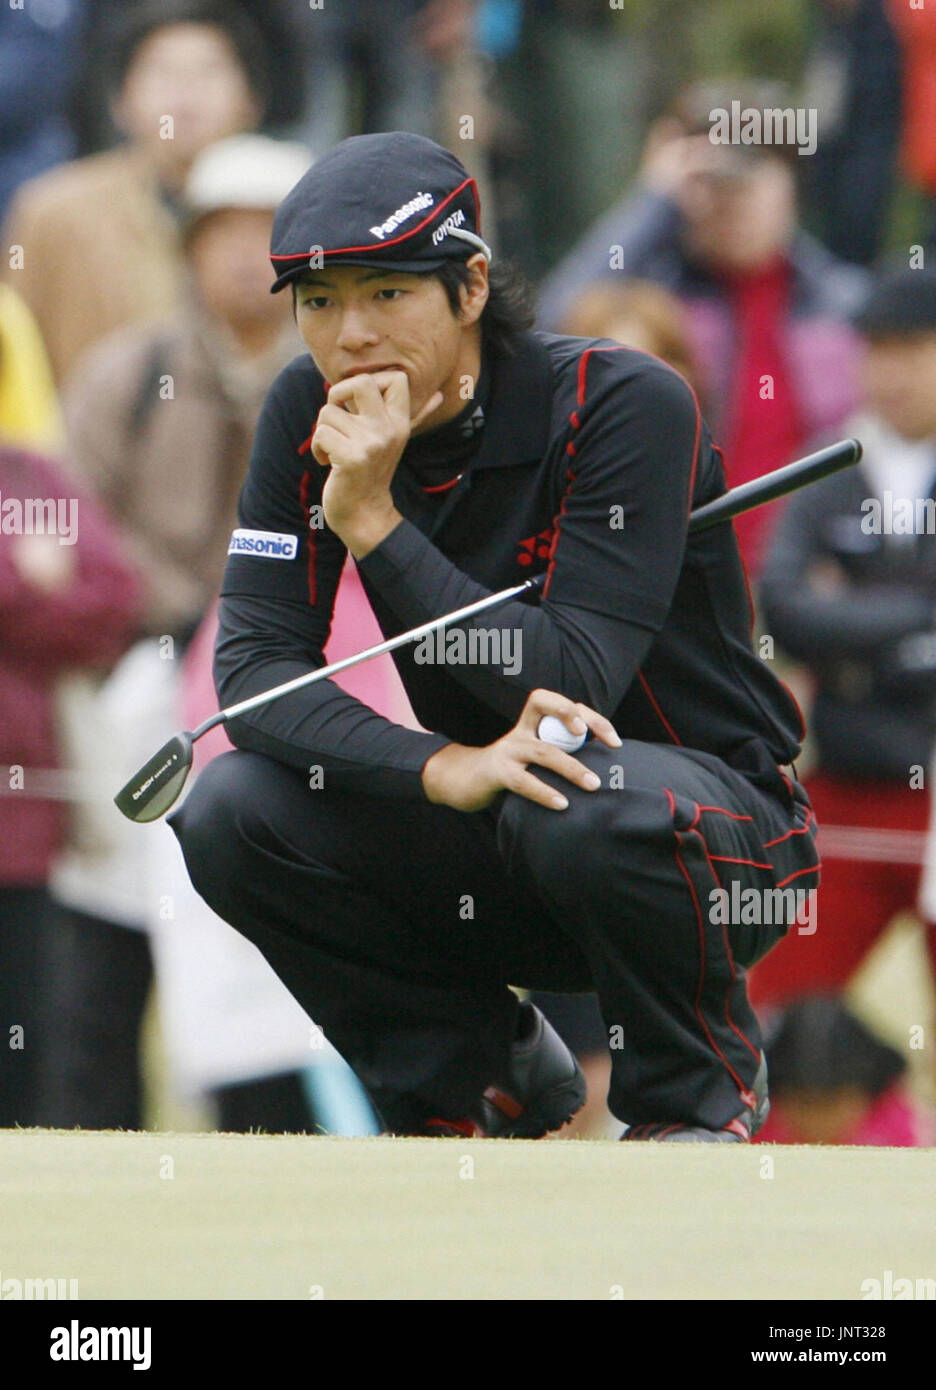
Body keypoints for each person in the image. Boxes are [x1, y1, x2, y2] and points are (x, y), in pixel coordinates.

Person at [168, 131, 821, 1142]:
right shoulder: (307, 407)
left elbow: (572, 683)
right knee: (231, 810)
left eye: (388, 294)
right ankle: (477, 1084)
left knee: (571, 783)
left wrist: (374, 525)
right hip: (512, 835)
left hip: (720, 846)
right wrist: (439, 766)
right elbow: (253, 673)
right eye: (319, 301)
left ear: (470, 286)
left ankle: (694, 1104)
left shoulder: (623, 401)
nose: (349, 337)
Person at [536, 84, 868, 577]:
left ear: (791, 180)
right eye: (711, 182)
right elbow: (552, 330)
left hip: (811, 586)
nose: (730, 202)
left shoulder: (843, 302)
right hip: (690, 577)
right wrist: (652, 200)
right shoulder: (657, 297)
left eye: (748, 178)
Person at [750, 268, 936, 1013]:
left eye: (913, 348)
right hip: (845, 783)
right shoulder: (829, 465)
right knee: (782, 1012)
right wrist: (920, 620)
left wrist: (855, 612)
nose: (892, 372)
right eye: (878, 349)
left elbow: (817, 616)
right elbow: (785, 609)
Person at [1, 0, 268, 387]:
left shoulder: (284, 211)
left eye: (209, 71)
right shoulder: (53, 210)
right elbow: (15, 360)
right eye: (163, 71)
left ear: (251, 100)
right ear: (119, 100)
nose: (186, 95)